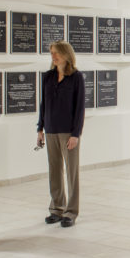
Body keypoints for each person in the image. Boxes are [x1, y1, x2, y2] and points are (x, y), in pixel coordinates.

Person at [37, 40, 85, 228]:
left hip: (68, 132)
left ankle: (71, 212)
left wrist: (76, 134)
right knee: (54, 171)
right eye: (51, 53)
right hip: (50, 130)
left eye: (56, 53)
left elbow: (80, 108)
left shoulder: (76, 77)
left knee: (71, 173)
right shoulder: (48, 77)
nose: (53, 56)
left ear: (66, 54)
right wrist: (40, 128)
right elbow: (43, 105)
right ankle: (56, 208)